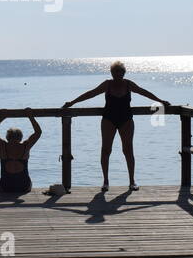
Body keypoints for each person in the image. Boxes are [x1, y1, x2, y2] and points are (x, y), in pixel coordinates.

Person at [63, 61, 169, 191]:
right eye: (115, 72)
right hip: (109, 119)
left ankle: (132, 181)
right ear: (112, 73)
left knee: (128, 150)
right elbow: (91, 93)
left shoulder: (129, 84)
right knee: (106, 150)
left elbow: (143, 92)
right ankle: (106, 181)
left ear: (123, 73)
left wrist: (160, 101)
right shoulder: (107, 84)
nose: (117, 75)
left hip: (126, 120)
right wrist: (72, 102)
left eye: (120, 72)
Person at [0, 115, 41, 196]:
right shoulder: (26, 146)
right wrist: (30, 117)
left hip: (5, 187)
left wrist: (2, 117)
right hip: (23, 187)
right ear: (21, 137)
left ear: (7, 137)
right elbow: (38, 132)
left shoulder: (2, 146)